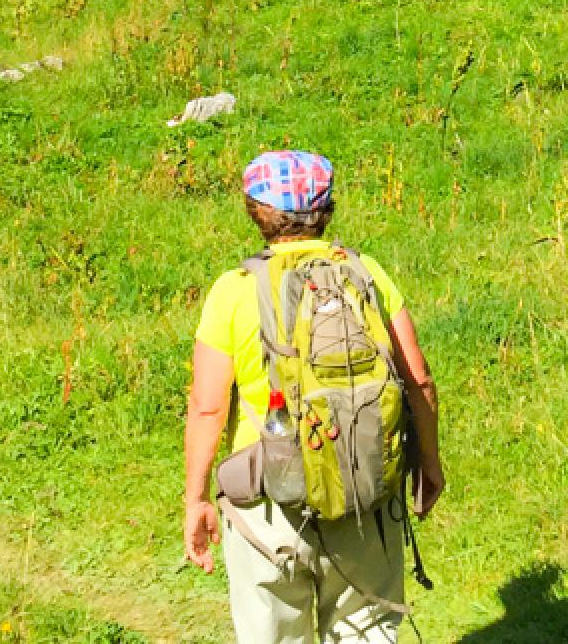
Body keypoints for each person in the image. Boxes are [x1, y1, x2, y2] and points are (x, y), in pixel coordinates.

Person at [185, 149, 444, 643]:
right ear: (326, 209)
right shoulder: (367, 274)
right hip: (364, 488)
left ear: (254, 211)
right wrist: (426, 460)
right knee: (366, 633)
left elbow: (208, 407)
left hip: (268, 506)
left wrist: (196, 498)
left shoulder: (234, 290)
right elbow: (420, 380)